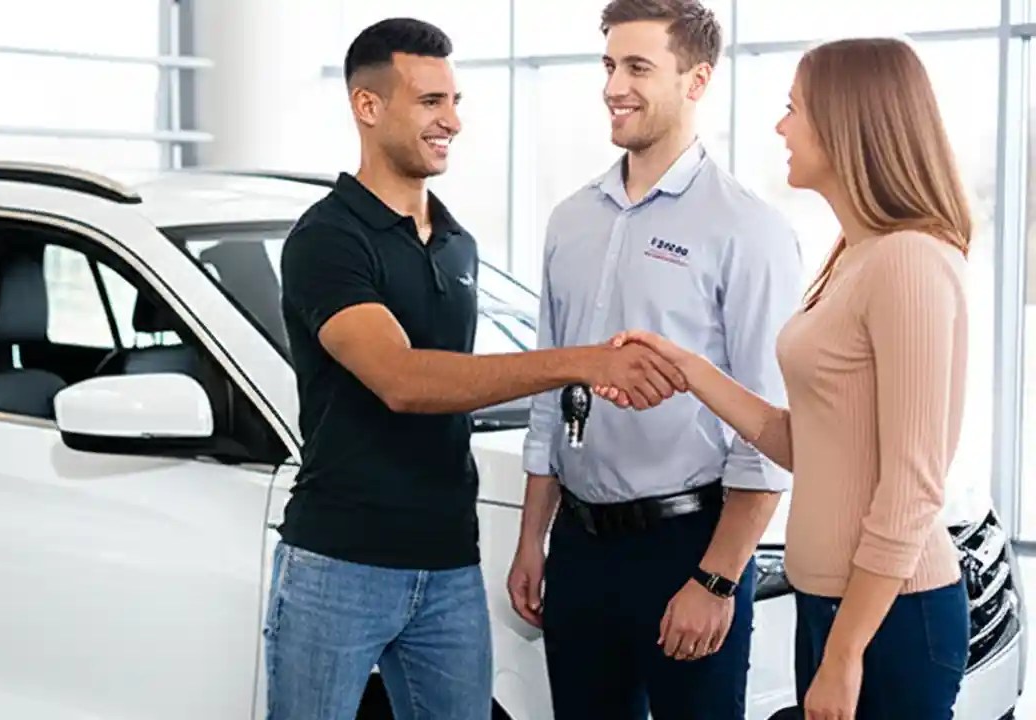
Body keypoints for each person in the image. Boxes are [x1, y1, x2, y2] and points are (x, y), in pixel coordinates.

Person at [264, 17, 687, 720]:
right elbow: (403, 380)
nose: (453, 122)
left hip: (448, 566)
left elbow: (470, 382)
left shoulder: (456, 241)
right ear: (367, 107)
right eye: (431, 102)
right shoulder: (325, 240)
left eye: (456, 101)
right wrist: (581, 361)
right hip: (338, 565)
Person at [609, 36, 973, 720]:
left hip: (890, 617)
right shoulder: (853, 258)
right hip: (839, 607)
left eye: (794, 109)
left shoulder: (909, 263)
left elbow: (912, 486)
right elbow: (805, 441)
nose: (781, 127)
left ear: (848, 123)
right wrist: (689, 369)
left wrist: (844, 655)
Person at [506, 1, 804, 718]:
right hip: (577, 547)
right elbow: (554, 393)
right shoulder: (570, 219)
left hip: (687, 549)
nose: (615, 86)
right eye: (609, 65)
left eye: (638, 67)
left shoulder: (748, 228)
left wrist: (718, 580)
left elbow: (767, 431)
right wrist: (531, 540)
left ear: (697, 80)